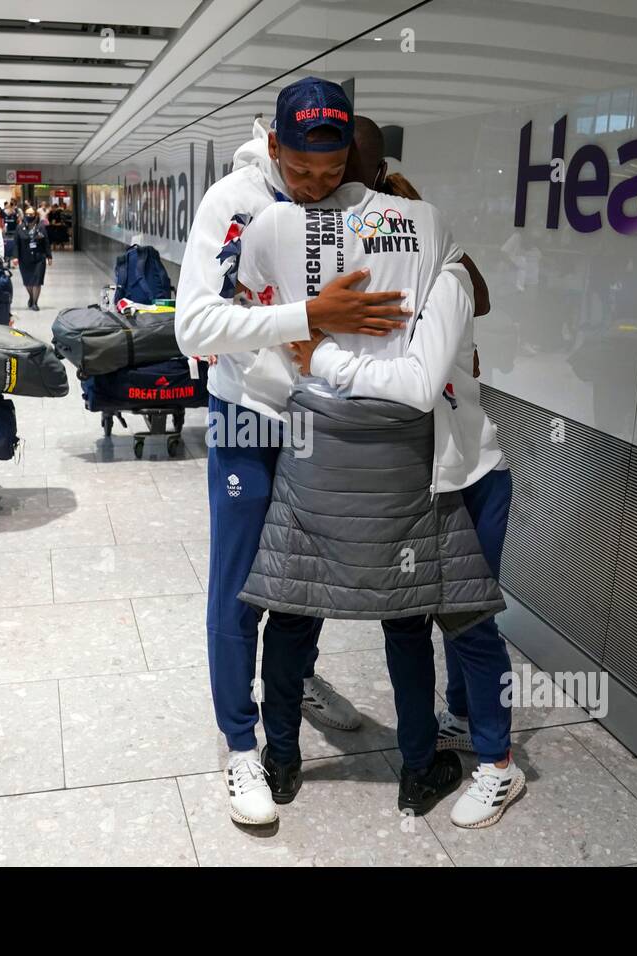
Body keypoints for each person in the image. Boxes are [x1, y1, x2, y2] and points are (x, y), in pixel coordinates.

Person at [250, 118, 522, 828]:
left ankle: (494, 759)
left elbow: (416, 384)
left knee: (466, 626)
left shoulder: (447, 274)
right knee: (406, 627)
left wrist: (320, 359)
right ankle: (442, 741)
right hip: (408, 475)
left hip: (463, 474)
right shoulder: (355, 266)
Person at [176, 77, 413, 826]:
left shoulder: (353, 205)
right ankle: (240, 746)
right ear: (274, 145)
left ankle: (295, 679)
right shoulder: (232, 203)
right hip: (247, 416)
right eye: (302, 173)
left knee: (304, 578)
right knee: (241, 584)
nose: (316, 188)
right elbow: (194, 327)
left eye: (332, 171)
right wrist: (307, 315)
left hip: (321, 418)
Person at [14, 207, 52, 311]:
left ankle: (35, 303)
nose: (29, 216)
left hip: (39, 258)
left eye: (31, 214)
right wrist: (15, 257)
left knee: (37, 281)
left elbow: (46, 242)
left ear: (35, 216)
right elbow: (16, 244)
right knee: (28, 282)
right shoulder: (19, 228)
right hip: (24, 259)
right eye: (27, 214)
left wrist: (49, 256)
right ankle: (31, 297)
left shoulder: (41, 227)